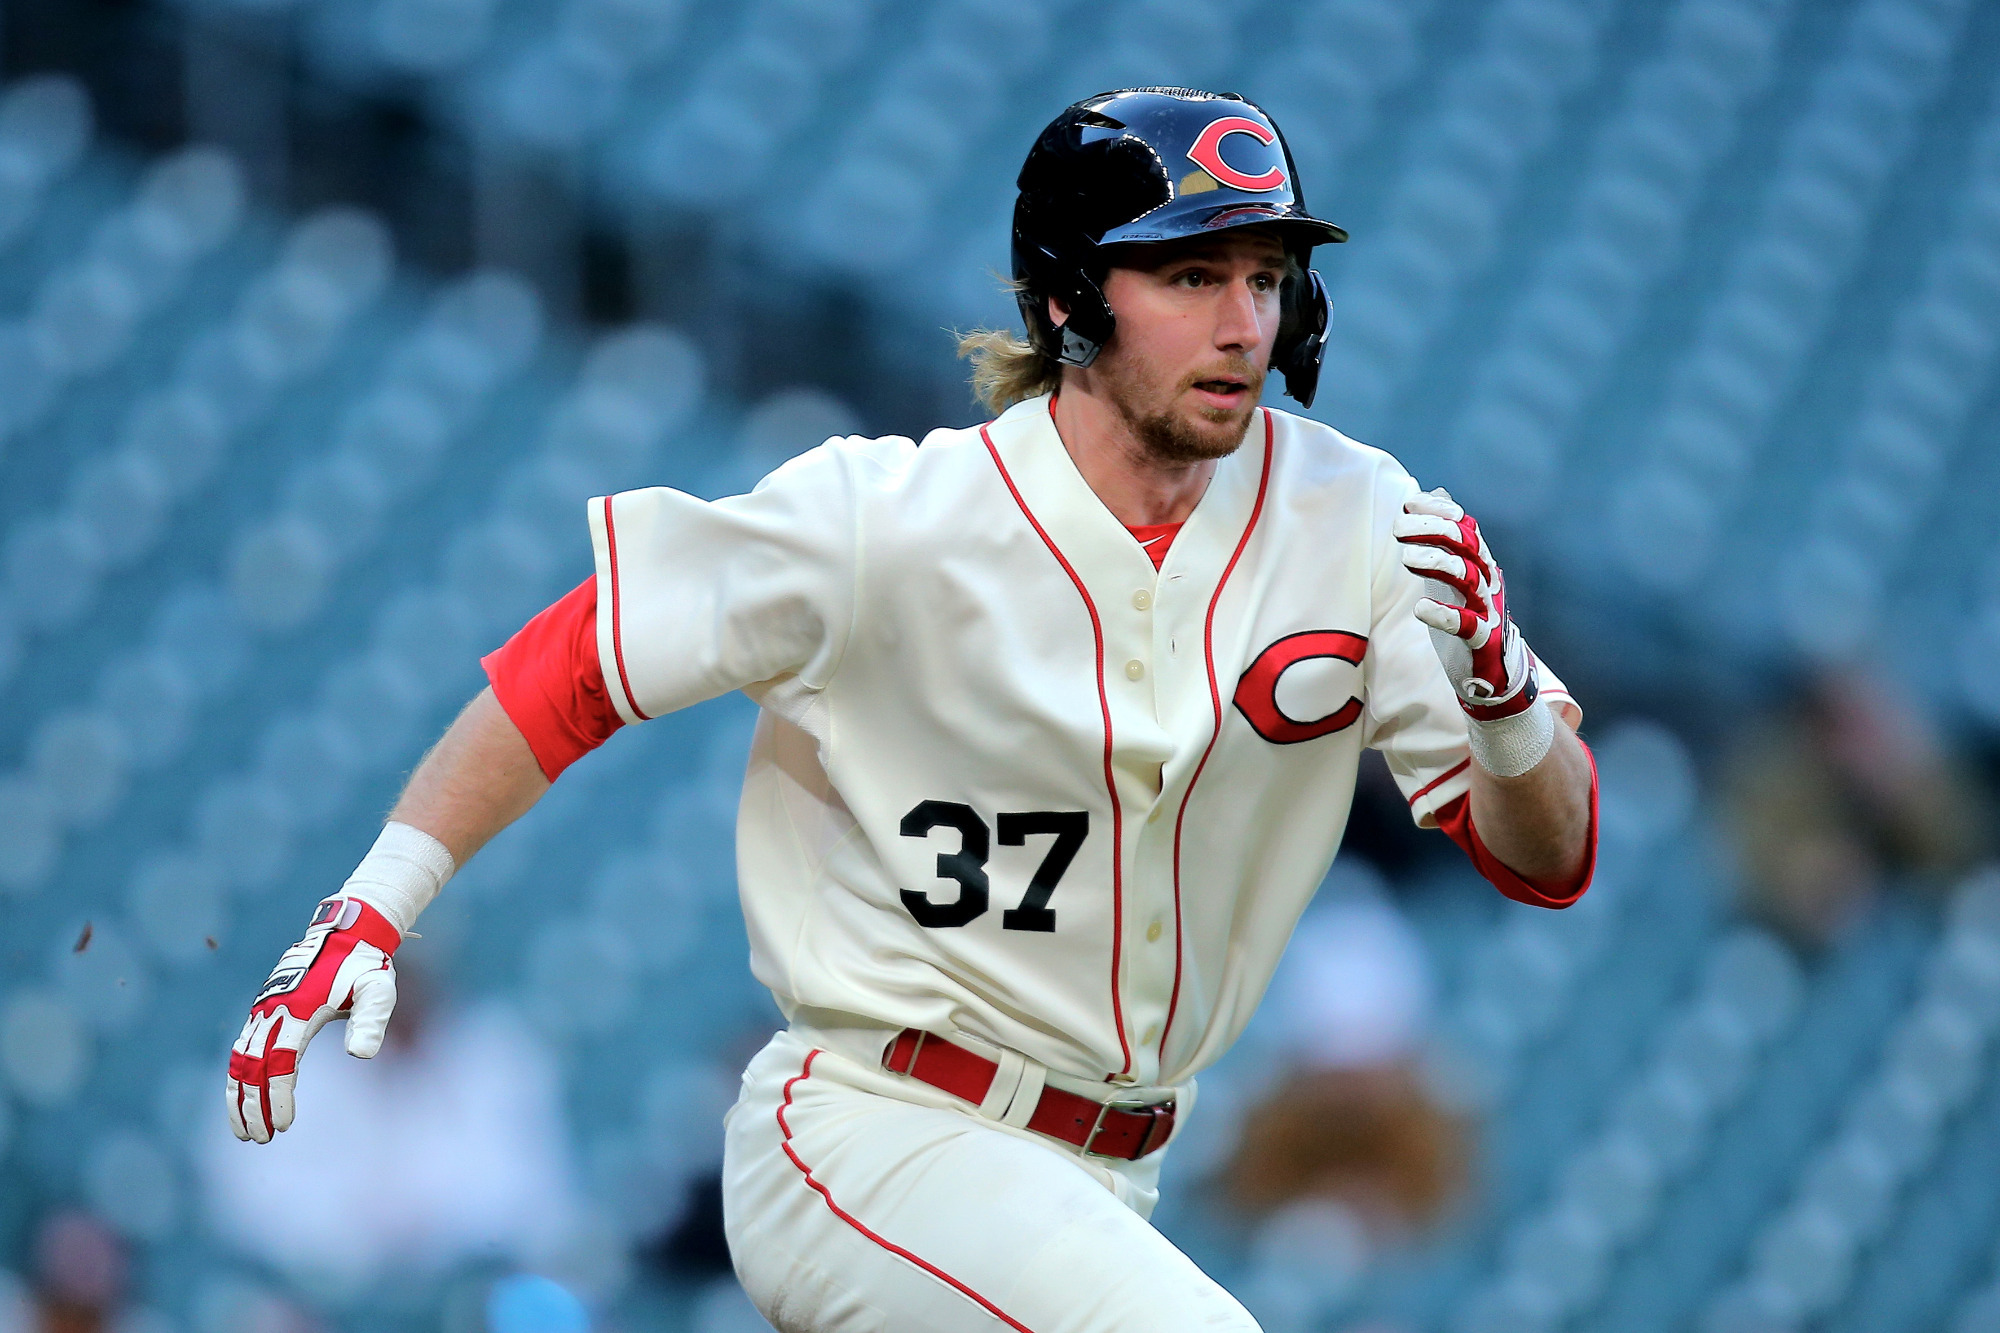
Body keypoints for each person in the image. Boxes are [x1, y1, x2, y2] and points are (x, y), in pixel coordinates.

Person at [224, 88, 1597, 1332]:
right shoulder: (892, 519)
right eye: (1192, 274)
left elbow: (1550, 854)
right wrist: (381, 896)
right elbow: (579, 660)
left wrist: (1505, 704)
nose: (1245, 320)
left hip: (1107, 1175)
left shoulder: (1353, 517)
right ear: (1069, 302)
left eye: (1266, 276)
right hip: (873, 1127)